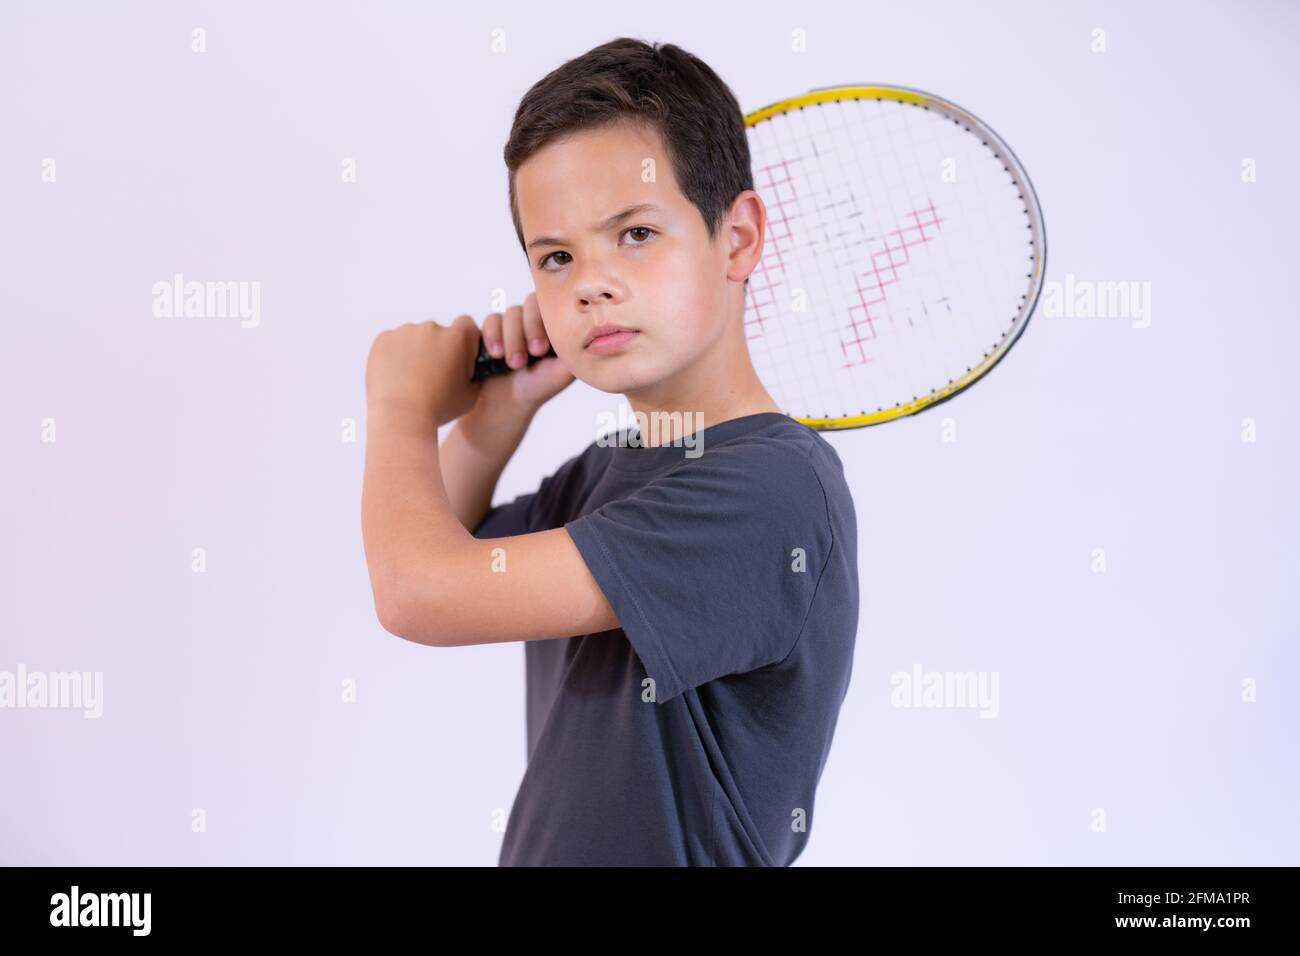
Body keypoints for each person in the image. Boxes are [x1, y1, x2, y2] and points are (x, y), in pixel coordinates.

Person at [361, 37, 859, 866]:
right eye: (557, 257)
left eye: (633, 234)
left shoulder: (768, 492)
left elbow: (416, 591)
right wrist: (498, 414)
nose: (590, 283)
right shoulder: (608, 475)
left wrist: (397, 406)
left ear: (736, 239)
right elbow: (433, 534)